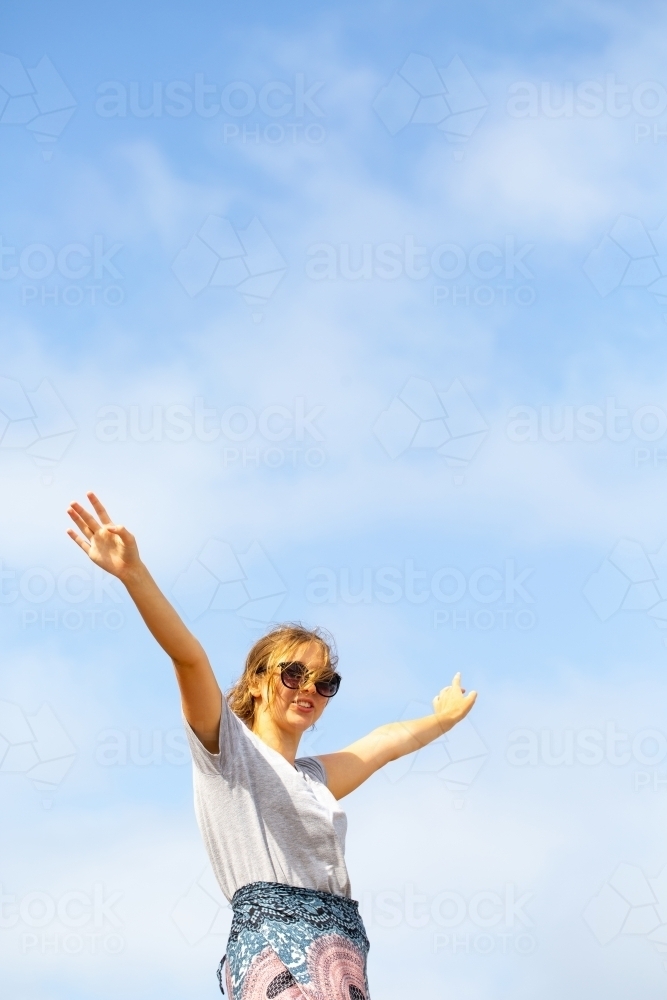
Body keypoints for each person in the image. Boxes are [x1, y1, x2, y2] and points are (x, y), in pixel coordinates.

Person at [66, 492, 478, 1000]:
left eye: (325, 681)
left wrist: (442, 720)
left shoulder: (314, 779)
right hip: (276, 953)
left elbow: (382, 745)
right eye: (294, 673)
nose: (309, 687)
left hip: (341, 958)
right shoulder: (229, 752)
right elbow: (190, 659)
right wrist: (134, 574)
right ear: (258, 681)